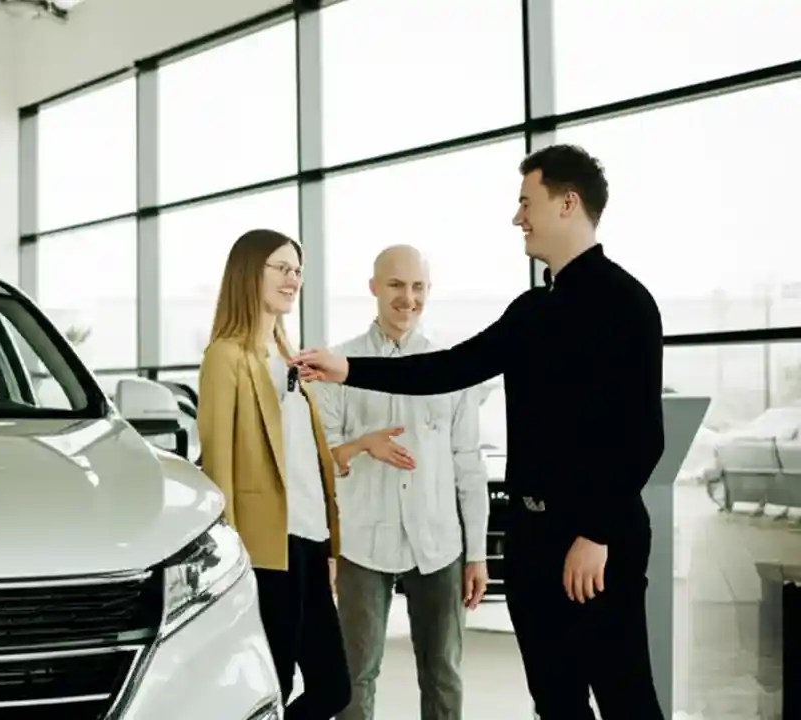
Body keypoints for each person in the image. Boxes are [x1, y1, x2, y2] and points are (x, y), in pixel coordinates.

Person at [293, 144, 665, 720]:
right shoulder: (533, 309)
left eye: (527, 202)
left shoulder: (628, 304)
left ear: (567, 203)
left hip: (596, 541)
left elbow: (642, 437)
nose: (518, 217)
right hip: (534, 540)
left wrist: (596, 533)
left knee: (627, 701)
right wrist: (348, 369)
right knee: (557, 702)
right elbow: (450, 368)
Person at [312, 244, 489, 720]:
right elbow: (321, 460)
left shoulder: (451, 366)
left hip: (438, 542)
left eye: (417, 287)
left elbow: (468, 464)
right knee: (355, 677)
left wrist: (476, 553)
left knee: (443, 674)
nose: (407, 298)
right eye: (395, 285)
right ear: (373, 287)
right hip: (362, 544)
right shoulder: (338, 363)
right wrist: (362, 444)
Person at [196, 228, 354, 719]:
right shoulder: (226, 356)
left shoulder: (291, 357)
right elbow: (217, 462)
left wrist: (329, 546)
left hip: (309, 538)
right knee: (276, 683)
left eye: (297, 270)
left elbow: (308, 457)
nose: (293, 279)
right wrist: (228, 557)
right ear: (249, 273)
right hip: (265, 547)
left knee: (333, 687)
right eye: (282, 268)